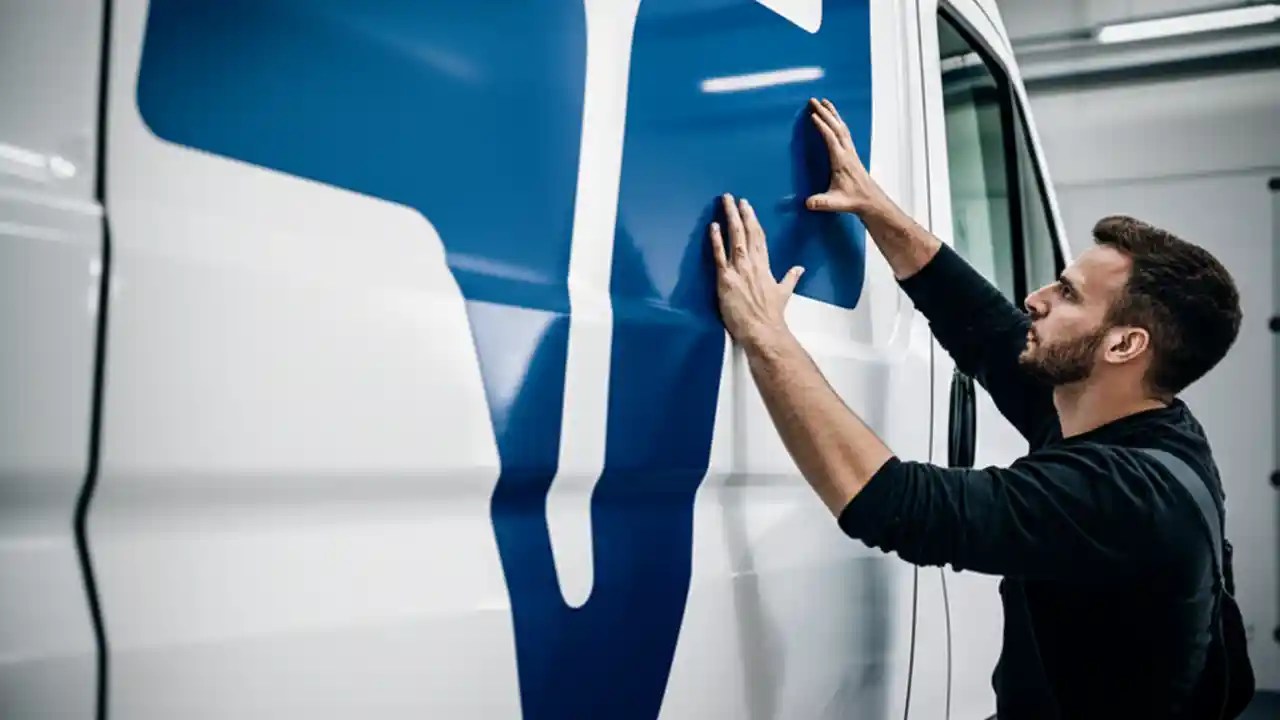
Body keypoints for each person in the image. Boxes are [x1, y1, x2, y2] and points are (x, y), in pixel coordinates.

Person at [708, 97, 1245, 717]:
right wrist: (875, 207)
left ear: (1125, 345)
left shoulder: (1124, 497)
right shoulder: (1131, 415)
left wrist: (765, 336)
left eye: (1066, 294)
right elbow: (987, 330)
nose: (1035, 298)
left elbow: (894, 504)